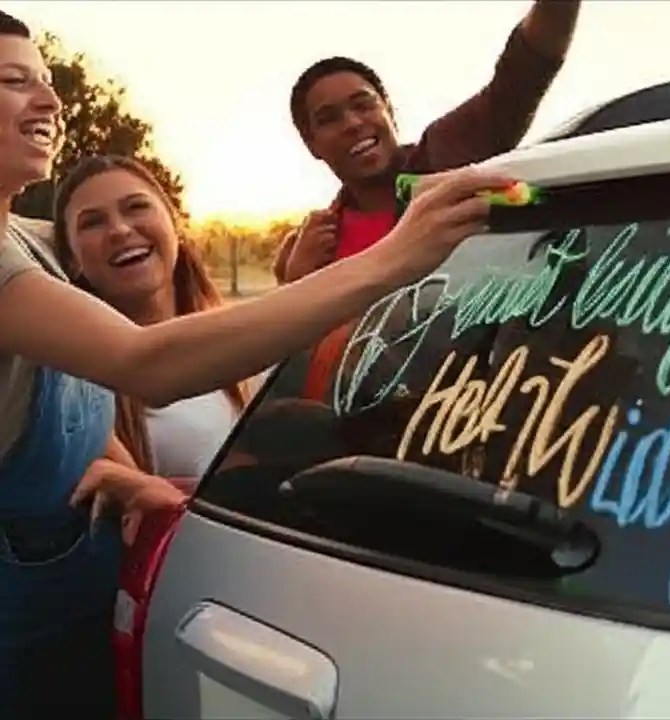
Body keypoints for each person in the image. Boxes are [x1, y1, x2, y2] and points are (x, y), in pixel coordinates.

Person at [0, 10, 514, 716]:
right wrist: (392, 257)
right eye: (11, 81)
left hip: (89, 618)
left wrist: (141, 486)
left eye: (46, 80)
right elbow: (145, 362)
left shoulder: (25, 240)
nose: (51, 101)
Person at [273, 0, 580, 285]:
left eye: (363, 105)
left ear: (389, 111)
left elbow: (523, 75)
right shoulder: (316, 246)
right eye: (329, 119)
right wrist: (294, 285)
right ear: (310, 144)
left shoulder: (443, 158)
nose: (353, 123)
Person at [52, 154, 260, 487]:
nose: (119, 230)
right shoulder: (74, 390)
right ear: (72, 261)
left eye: (136, 207)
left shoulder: (242, 345)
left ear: (175, 224)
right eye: (92, 223)